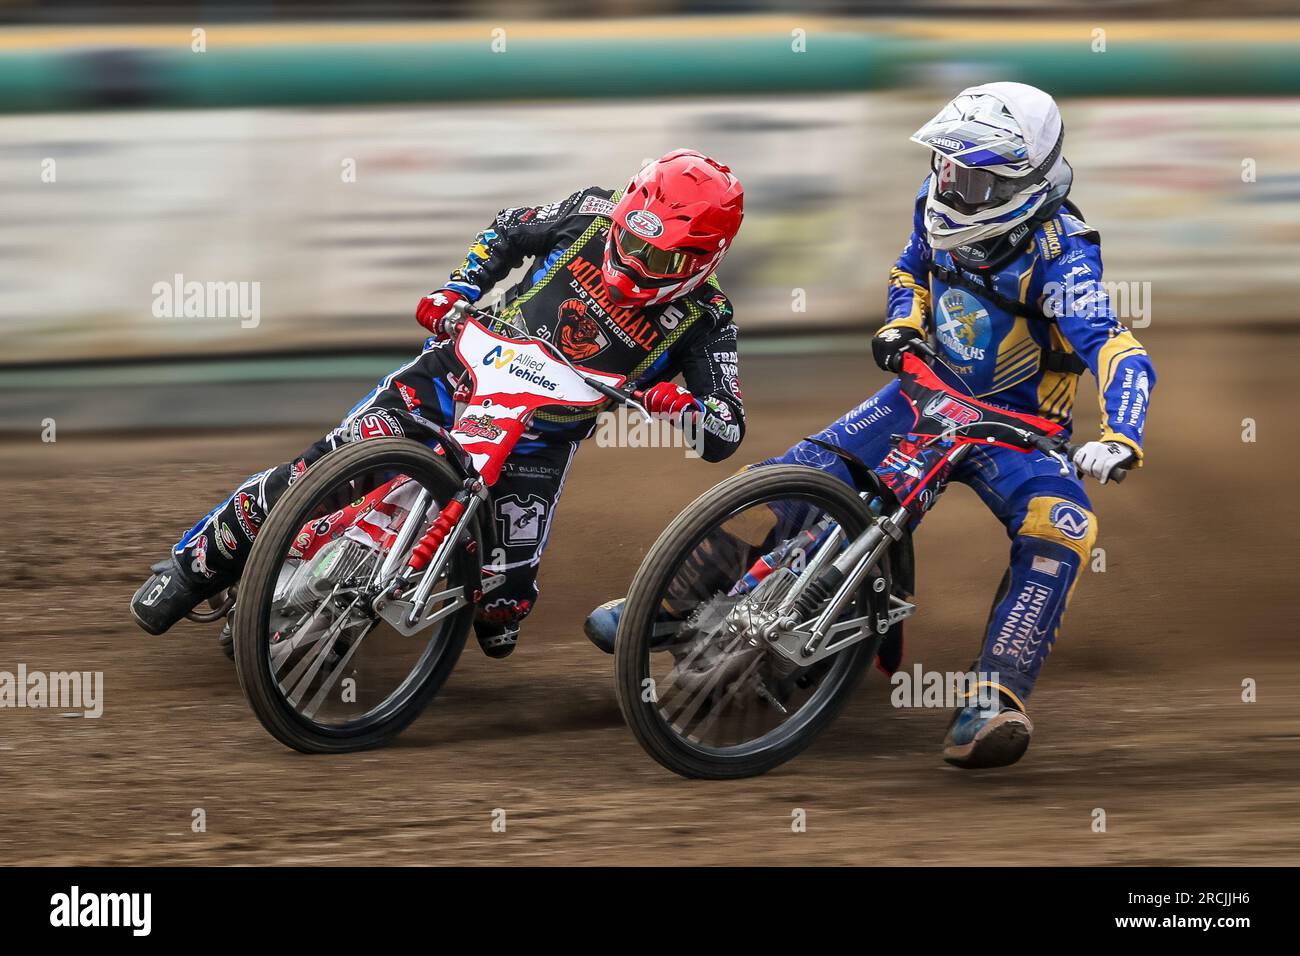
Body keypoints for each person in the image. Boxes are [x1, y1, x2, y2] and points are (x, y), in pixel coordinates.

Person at [586, 84, 1154, 769]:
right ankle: (674, 596)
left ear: (1025, 186)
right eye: (947, 167)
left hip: (1020, 428)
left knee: (1062, 528)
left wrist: (1121, 434)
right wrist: (903, 321)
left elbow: (1119, 351)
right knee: (795, 472)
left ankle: (995, 696)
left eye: (971, 178)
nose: (950, 185)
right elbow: (910, 267)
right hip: (925, 392)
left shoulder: (1064, 260)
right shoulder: (934, 202)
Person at [131, 149, 746, 660]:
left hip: (538, 439)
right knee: (322, 469)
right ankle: (192, 567)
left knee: (501, 613)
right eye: (629, 241)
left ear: (705, 258)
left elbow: (725, 428)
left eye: (659, 258)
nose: (634, 262)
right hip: (451, 377)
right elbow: (507, 229)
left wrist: (676, 405)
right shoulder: (590, 212)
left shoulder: (707, 319)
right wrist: (457, 290)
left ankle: (412, 601)